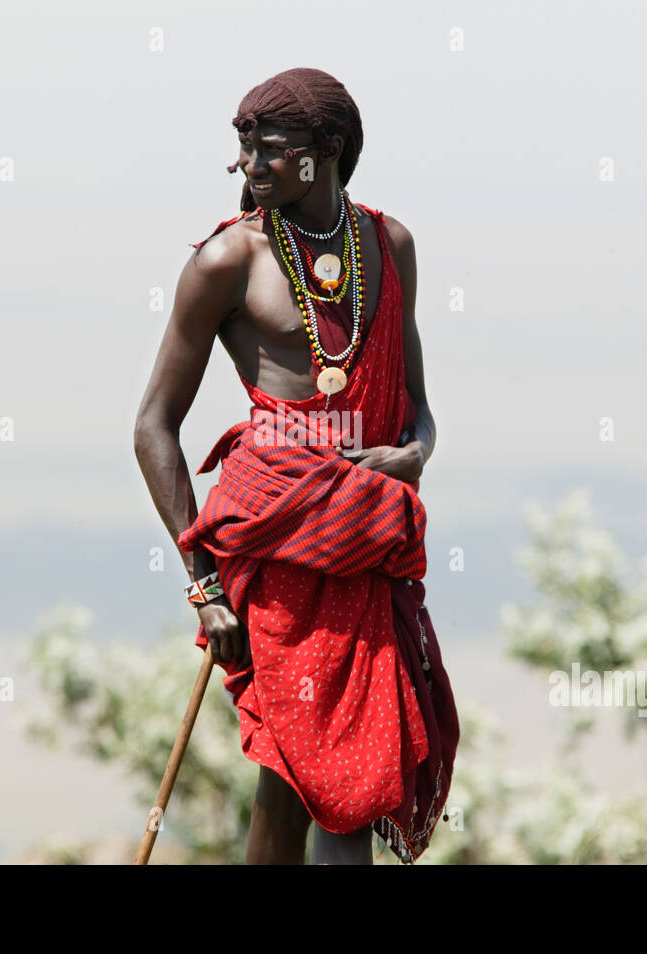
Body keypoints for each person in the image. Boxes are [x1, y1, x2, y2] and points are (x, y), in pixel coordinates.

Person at [133, 67, 458, 865]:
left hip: (364, 547)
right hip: (276, 552)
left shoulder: (391, 246)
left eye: (270, 149)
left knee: (329, 779)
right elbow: (153, 428)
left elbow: (419, 406)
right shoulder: (226, 261)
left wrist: (413, 453)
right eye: (242, 148)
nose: (250, 166)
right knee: (311, 780)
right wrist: (203, 585)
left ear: (329, 151)